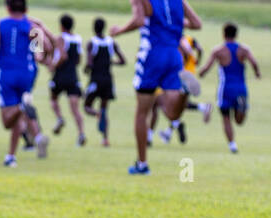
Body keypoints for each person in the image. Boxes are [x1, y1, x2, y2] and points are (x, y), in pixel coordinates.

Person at [109, 0, 201, 175]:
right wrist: (173, 24)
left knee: (142, 111)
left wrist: (119, 31)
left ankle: (142, 164)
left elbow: (138, 21)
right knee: (172, 112)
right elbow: (196, 24)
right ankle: (184, 92)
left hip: (152, 53)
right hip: (174, 55)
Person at [0, 0, 50, 167]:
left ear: (7, 8)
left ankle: (23, 109)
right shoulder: (31, 26)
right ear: (26, 9)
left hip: (6, 72)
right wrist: (42, 58)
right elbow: (43, 48)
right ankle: (11, 156)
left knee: (7, 121)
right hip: (27, 72)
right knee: (18, 115)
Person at [198, 21, 257, 153]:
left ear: (223, 34)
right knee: (239, 121)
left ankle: (232, 145)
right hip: (241, 87)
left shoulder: (218, 50)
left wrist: (201, 73)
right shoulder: (244, 49)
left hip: (225, 88)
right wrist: (257, 73)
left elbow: (207, 67)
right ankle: (241, 109)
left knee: (226, 118)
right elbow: (254, 62)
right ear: (236, 34)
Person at [82, 16, 122, 146]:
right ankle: (105, 139)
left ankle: (97, 114)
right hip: (108, 80)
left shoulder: (92, 43)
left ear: (94, 28)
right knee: (105, 109)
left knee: (87, 106)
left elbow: (89, 63)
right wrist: (111, 62)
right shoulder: (111, 42)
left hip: (96, 80)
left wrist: (86, 69)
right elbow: (123, 61)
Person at [48, 13, 83, 145]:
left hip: (60, 75)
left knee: (53, 98)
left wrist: (53, 66)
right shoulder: (78, 39)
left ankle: (59, 118)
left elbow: (62, 56)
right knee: (75, 108)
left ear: (61, 26)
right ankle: (81, 134)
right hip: (73, 76)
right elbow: (79, 59)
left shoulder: (61, 38)